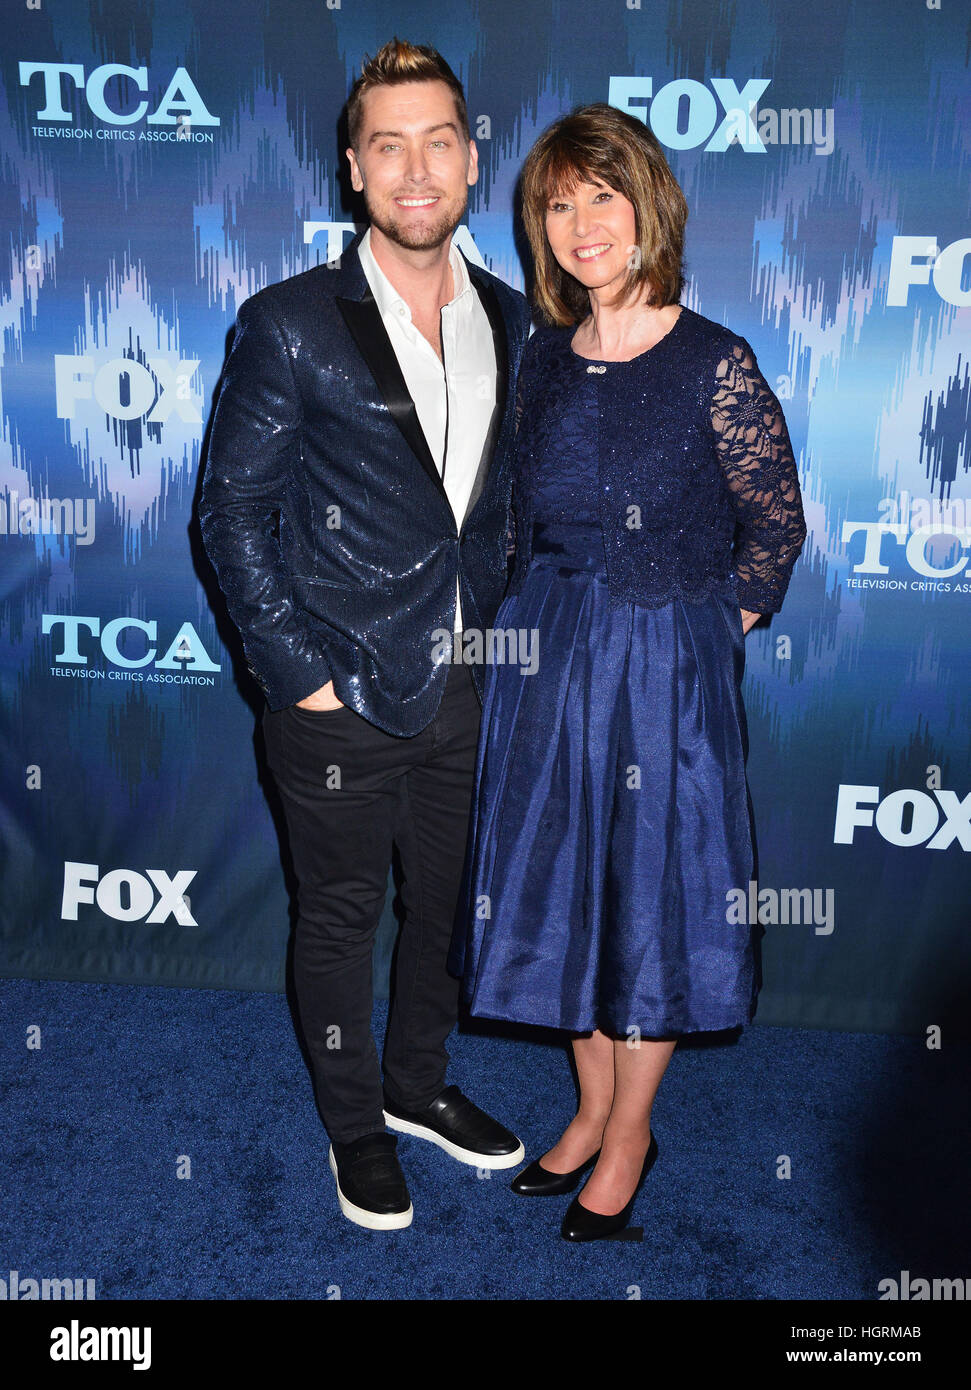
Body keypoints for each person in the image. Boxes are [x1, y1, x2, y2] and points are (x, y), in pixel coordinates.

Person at [449, 102, 807, 1241]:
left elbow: (775, 525)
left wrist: (708, 629)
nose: (578, 222)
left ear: (646, 204)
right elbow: (514, 519)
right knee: (561, 886)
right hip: (548, 657)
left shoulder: (715, 362)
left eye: (600, 195)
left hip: (661, 667)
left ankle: (631, 1133)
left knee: (650, 896)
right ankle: (589, 1106)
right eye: (556, 202)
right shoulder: (544, 356)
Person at [199, 38, 531, 1232]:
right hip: (337, 688)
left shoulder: (510, 315)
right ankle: (353, 1125)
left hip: (467, 684)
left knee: (446, 908)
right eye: (386, 144)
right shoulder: (289, 322)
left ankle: (413, 1085)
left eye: (437, 139)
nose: (414, 167)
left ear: (468, 157)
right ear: (352, 169)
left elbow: (498, 504)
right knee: (339, 916)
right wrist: (299, 678)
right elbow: (229, 514)